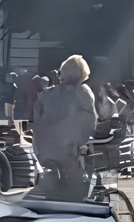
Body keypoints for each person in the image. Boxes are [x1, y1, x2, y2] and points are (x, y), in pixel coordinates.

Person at [33, 55, 98, 189]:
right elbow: (91, 120)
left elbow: (39, 118)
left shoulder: (50, 93)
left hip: (52, 146)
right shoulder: (84, 91)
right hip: (72, 144)